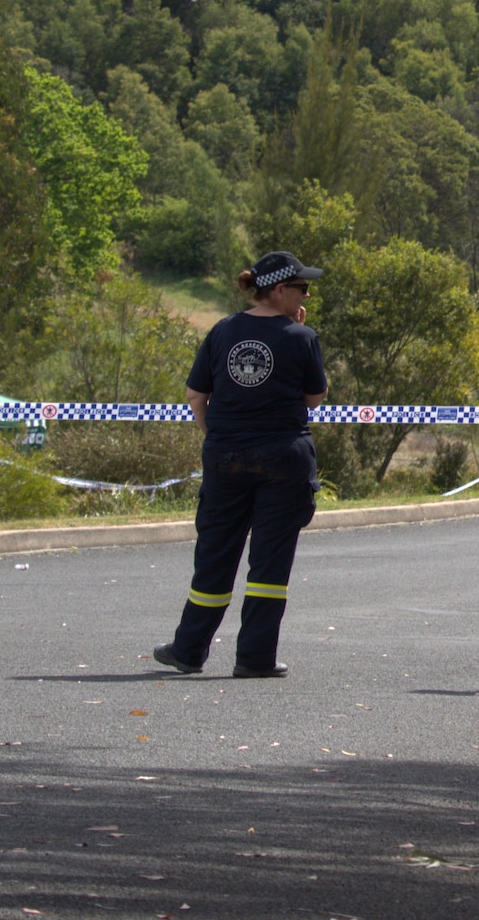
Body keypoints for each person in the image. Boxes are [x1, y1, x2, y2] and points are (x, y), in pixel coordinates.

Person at [152, 251, 329, 680]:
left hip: (225, 457)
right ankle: (254, 658)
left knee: (215, 553)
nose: (307, 294)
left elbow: (196, 395)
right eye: (303, 288)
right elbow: (314, 398)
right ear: (280, 289)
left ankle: (189, 650)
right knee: (269, 562)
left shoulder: (223, 330)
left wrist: (218, 434)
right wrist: (298, 330)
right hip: (283, 458)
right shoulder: (301, 337)